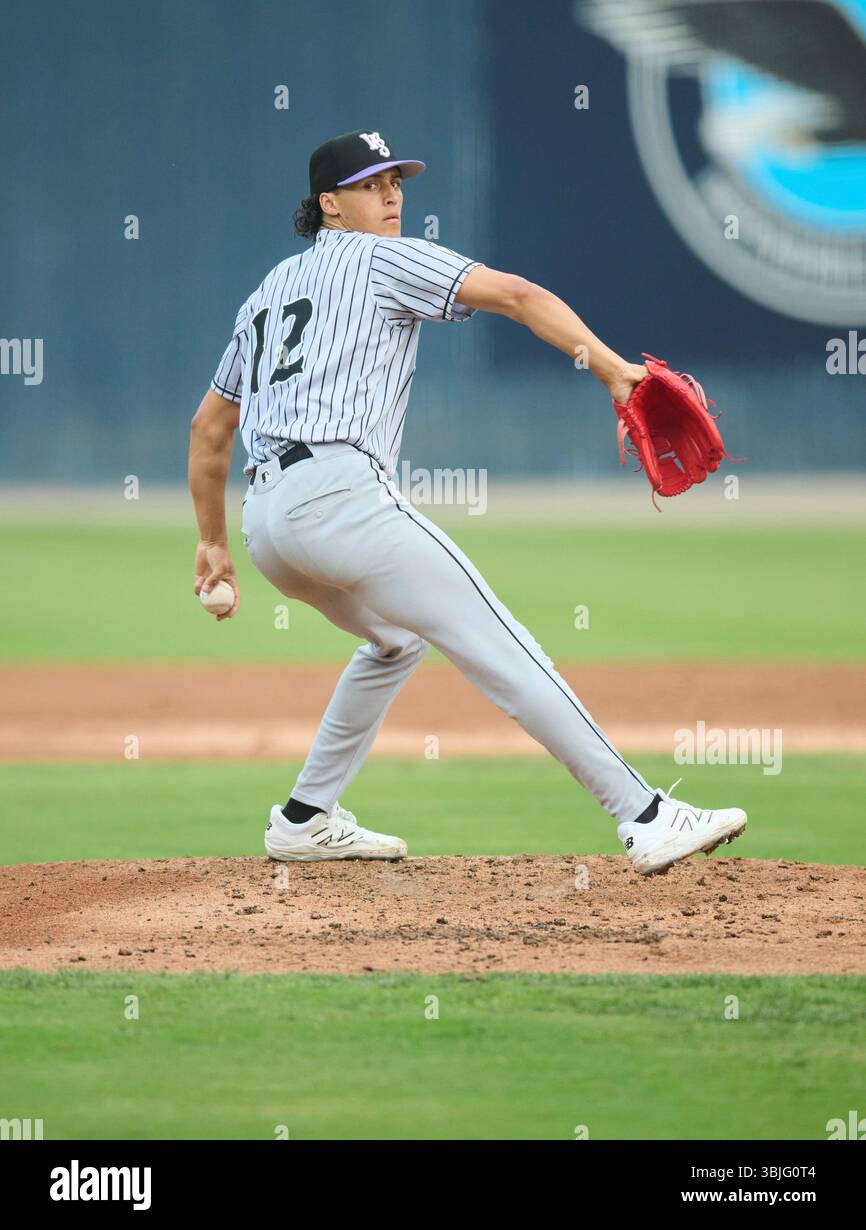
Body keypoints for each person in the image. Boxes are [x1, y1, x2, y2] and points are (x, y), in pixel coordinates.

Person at [188, 129, 746, 876]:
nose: (393, 196)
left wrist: (214, 543)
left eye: (397, 182)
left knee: (396, 639)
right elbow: (517, 295)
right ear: (330, 203)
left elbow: (209, 427)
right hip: (339, 498)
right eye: (372, 185)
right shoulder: (383, 258)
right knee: (502, 643)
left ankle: (304, 817)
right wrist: (616, 373)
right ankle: (645, 816)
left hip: (268, 526)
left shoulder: (264, 295)